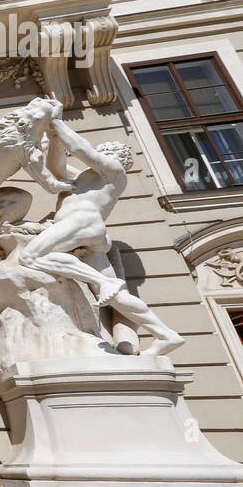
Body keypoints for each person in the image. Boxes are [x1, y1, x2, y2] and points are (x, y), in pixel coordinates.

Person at [17, 120, 184, 357]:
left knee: (29, 256)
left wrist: (56, 122)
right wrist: (54, 137)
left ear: (115, 155)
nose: (101, 152)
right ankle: (166, 335)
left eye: (105, 150)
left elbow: (82, 149)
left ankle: (103, 281)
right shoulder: (87, 177)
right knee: (119, 297)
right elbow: (58, 169)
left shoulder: (115, 172)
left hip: (81, 224)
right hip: (88, 234)